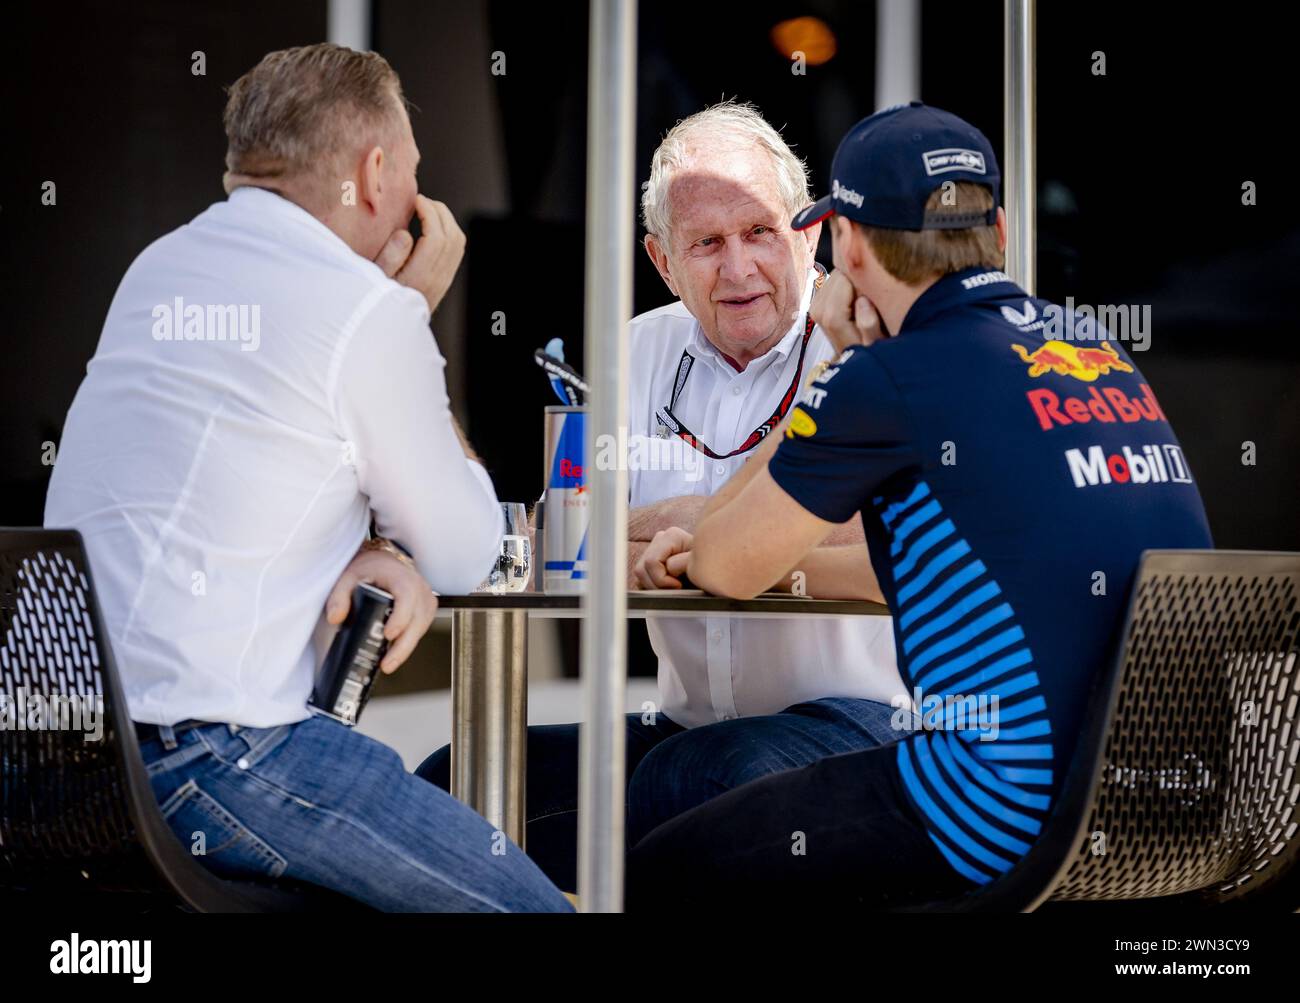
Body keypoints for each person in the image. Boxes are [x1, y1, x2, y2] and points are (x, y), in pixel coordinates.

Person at [624, 102, 1213, 910]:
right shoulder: (1091, 349)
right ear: (1000, 230)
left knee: (659, 867)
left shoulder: (887, 378)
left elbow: (724, 562)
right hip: (1165, 807)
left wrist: (834, 368)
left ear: (847, 246)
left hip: (995, 805)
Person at [44, 43, 571, 913]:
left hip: (58, 766)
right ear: (373, 175)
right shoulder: (363, 314)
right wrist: (410, 316)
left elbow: (248, 467)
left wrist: (368, 542)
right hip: (211, 760)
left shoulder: (157, 269)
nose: (418, 203)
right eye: (412, 173)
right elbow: (471, 551)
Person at [417, 102, 907, 891]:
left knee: (691, 779)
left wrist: (687, 531)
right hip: (686, 725)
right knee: (459, 784)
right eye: (707, 244)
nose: (739, 267)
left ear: (809, 234)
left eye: (759, 233)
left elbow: (890, 541)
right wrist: (681, 537)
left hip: (869, 723)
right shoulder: (635, 349)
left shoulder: (862, 336)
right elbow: (563, 536)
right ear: (662, 259)